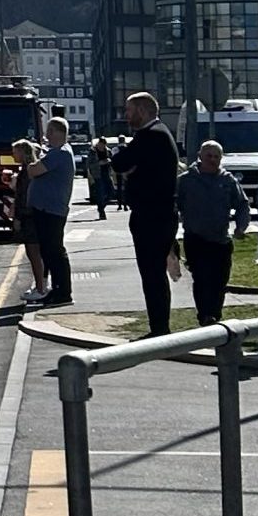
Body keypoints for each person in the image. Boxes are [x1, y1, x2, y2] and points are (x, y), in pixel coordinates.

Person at [110, 91, 183, 339]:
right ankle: (159, 325)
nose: (126, 116)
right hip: (157, 214)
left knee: (152, 274)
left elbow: (119, 162)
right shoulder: (158, 133)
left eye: (129, 110)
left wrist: (130, 168)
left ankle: (159, 328)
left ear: (142, 110)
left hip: (152, 216)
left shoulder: (151, 135)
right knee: (154, 274)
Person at [177, 140, 250, 326]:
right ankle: (205, 315)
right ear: (200, 156)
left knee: (219, 280)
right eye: (209, 156)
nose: (212, 160)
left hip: (221, 240)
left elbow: (242, 204)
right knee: (201, 278)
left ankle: (215, 315)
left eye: (216, 157)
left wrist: (241, 227)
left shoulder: (227, 180)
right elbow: (174, 204)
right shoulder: (186, 180)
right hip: (196, 238)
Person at [23, 117, 76, 309]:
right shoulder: (56, 152)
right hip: (47, 208)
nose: (46, 135)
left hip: (51, 210)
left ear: (55, 132)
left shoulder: (60, 153)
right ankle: (57, 289)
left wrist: (31, 158)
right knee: (49, 251)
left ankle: (63, 292)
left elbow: (33, 170)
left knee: (54, 251)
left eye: (48, 131)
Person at [9, 140, 47, 300]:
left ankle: (40, 288)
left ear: (22, 153)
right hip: (33, 215)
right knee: (35, 254)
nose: (13, 155)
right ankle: (40, 286)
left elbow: (24, 196)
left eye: (15, 152)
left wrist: (18, 217)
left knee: (34, 253)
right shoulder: (29, 169)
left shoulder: (27, 171)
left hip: (29, 216)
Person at [90, 137, 113, 220]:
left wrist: (109, 161)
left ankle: (102, 207)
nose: (102, 146)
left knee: (111, 191)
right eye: (101, 144)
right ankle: (101, 212)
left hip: (107, 173)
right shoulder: (93, 152)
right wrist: (99, 163)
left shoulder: (108, 151)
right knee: (100, 193)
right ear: (99, 143)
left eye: (104, 145)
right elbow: (89, 163)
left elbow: (112, 160)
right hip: (98, 174)